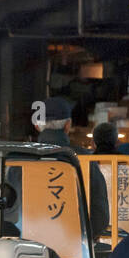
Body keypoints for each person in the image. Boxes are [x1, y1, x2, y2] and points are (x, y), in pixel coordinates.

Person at [38, 96, 110, 238]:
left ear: (37, 125)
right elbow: (100, 216)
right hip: (75, 247)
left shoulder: (16, 160)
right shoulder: (83, 158)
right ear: (68, 125)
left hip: (25, 249)